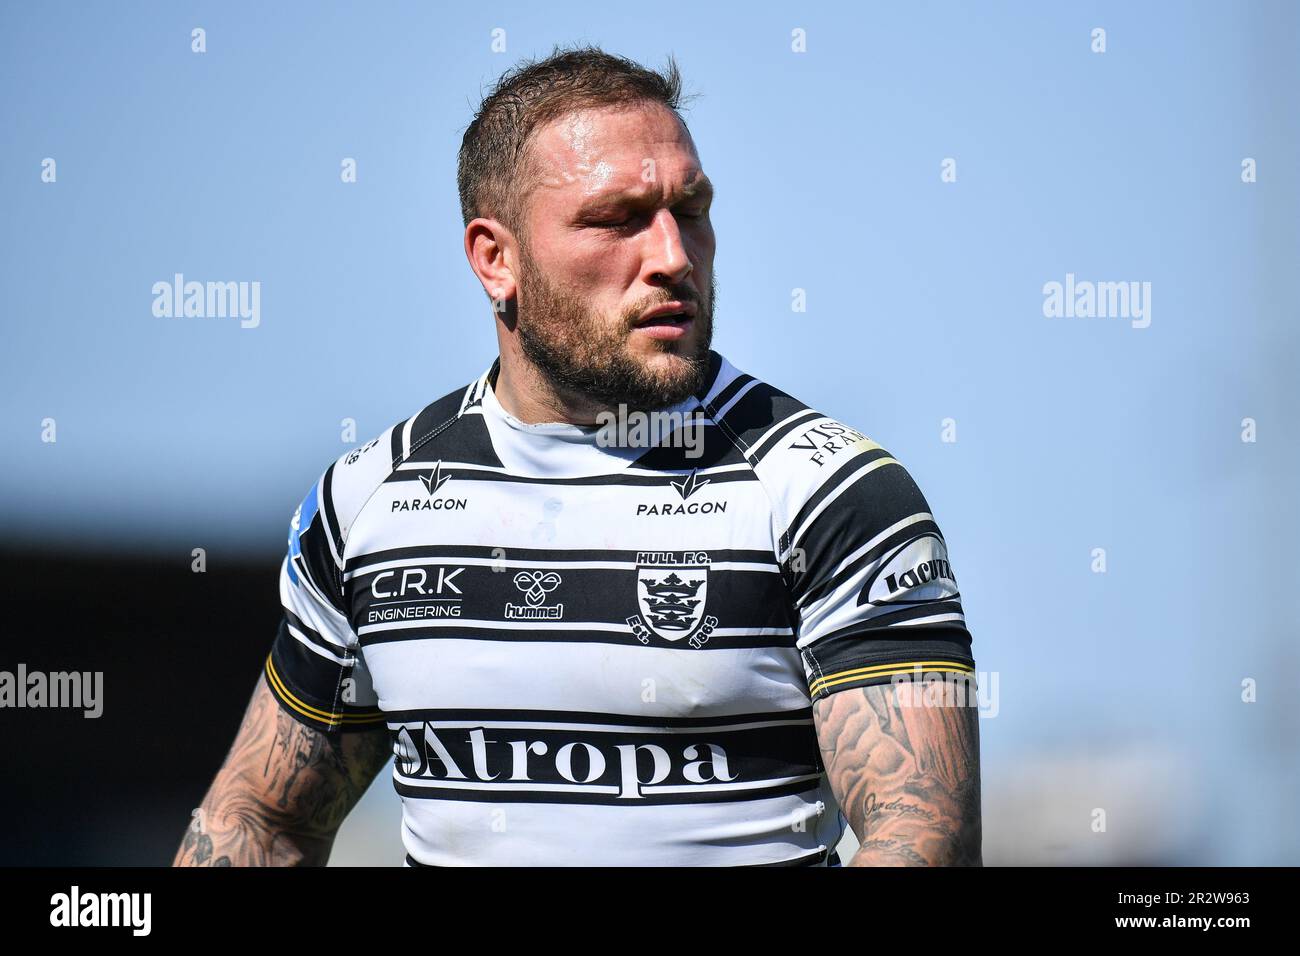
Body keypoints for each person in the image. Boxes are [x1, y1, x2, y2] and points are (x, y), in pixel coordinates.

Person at [173, 45, 980, 867]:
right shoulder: (369, 507)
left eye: (690, 210)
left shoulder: (831, 492)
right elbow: (261, 824)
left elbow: (923, 836)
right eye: (618, 218)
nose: (672, 256)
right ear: (497, 259)